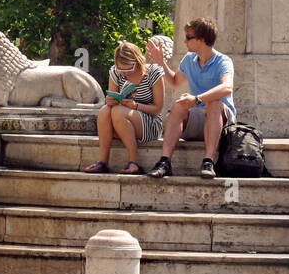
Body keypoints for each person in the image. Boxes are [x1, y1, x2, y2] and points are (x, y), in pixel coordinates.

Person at [145, 18, 235, 179]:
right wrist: (161, 63)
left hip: (220, 121)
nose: (184, 41)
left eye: (188, 37)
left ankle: (208, 162)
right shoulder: (189, 59)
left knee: (214, 103)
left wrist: (197, 99)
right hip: (198, 118)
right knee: (179, 105)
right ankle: (164, 162)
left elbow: (227, 87)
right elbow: (174, 82)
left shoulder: (223, 61)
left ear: (201, 40)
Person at [84, 41, 164, 175]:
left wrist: (136, 106)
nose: (125, 73)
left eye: (129, 69)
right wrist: (110, 101)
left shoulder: (153, 72)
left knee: (118, 112)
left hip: (150, 122)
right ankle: (103, 162)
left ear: (137, 61)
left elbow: (158, 109)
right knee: (105, 111)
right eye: (121, 69)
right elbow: (112, 103)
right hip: (121, 120)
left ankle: (134, 162)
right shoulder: (116, 73)